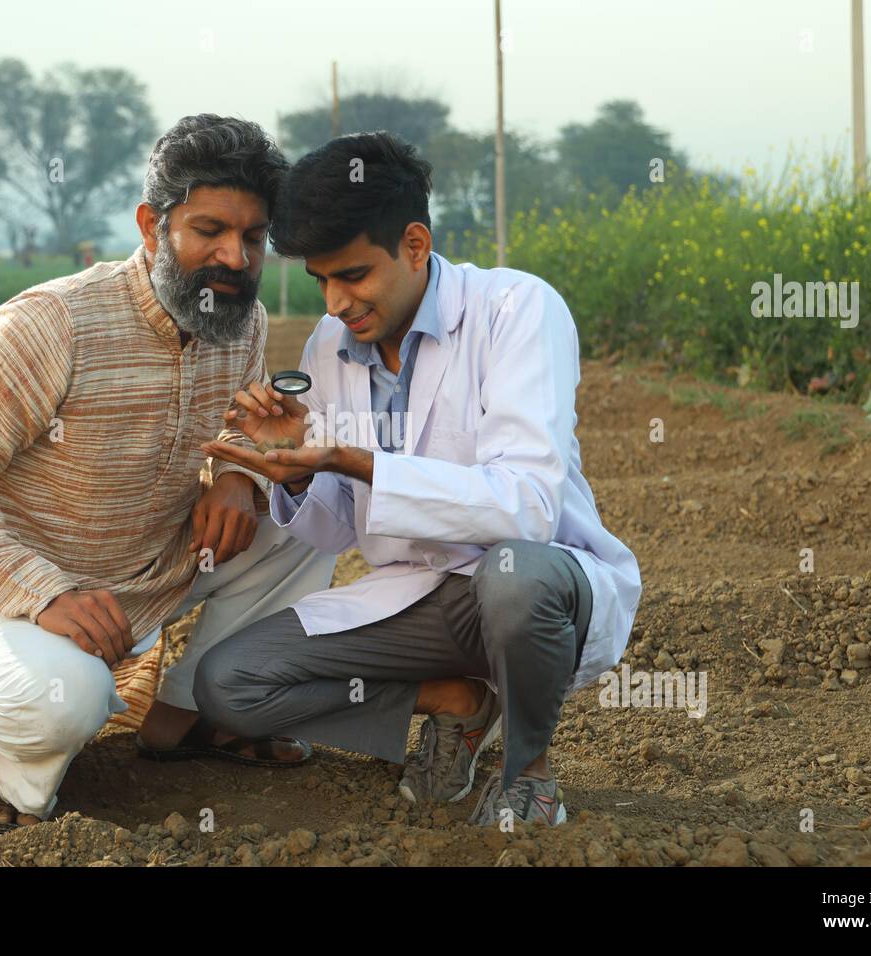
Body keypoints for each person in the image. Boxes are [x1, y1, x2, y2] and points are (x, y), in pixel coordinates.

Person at [0, 114, 336, 832]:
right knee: (66, 694)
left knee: (308, 514)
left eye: (252, 238)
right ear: (151, 226)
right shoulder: (54, 323)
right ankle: (0, 786)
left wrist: (242, 479)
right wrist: (43, 594)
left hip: (152, 569)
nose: (233, 256)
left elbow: (238, 425)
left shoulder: (240, 325)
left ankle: (190, 715)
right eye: (208, 230)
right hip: (14, 595)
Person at [199, 131, 641, 827]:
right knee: (228, 685)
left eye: (352, 275)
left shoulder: (515, 310)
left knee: (513, 576)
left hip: (533, 588)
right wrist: (292, 472)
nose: (336, 302)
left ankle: (529, 775)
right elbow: (340, 522)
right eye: (321, 280)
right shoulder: (332, 346)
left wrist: (355, 460)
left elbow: (527, 508)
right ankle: (457, 706)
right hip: (421, 602)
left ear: (413, 245)